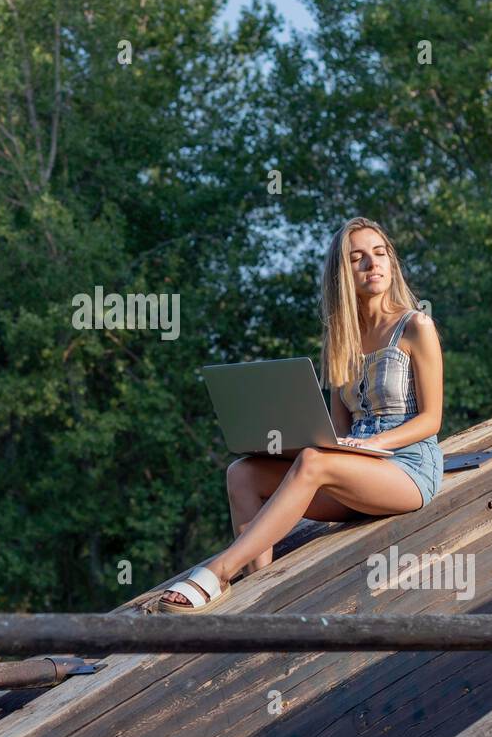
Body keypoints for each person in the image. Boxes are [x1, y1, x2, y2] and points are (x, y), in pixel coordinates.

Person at [157, 216, 445, 613]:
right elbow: (335, 431)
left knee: (314, 460)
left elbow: (432, 420)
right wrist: (313, 444)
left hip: (408, 468)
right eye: (357, 258)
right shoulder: (340, 337)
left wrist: (369, 445)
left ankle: (218, 571)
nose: (371, 265)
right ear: (342, 273)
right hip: (355, 470)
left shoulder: (416, 326)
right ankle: (259, 592)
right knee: (243, 473)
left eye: (379, 254)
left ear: (391, 262)